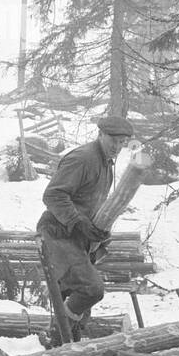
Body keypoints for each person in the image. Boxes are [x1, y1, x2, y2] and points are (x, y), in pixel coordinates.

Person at [36, 115, 135, 341]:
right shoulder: (83, 159)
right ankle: (55, 334)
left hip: (78, 236)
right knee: (91, 288)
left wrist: (99, 229)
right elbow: (53, 195)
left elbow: (91, 201)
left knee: (74, 298)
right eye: (113, 140)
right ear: (100, 134)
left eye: (122, 142)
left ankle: (64, 345)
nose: (117, 147)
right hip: (58, 232)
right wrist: (79, 222)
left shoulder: (106, 162)